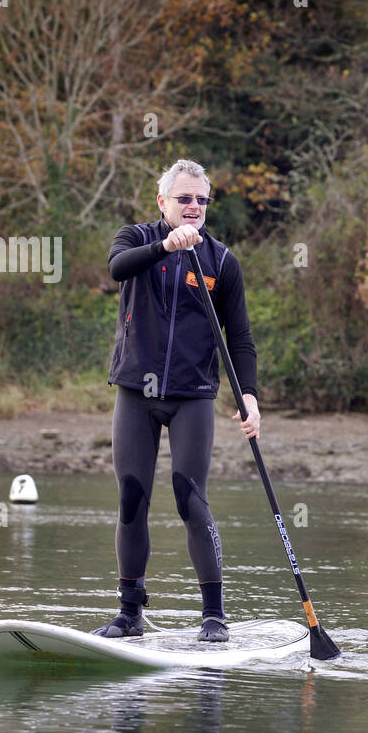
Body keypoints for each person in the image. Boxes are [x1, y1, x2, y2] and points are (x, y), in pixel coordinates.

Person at [93, 159, 260, 642]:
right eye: (183, 198)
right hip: (135, 393)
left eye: (201, 200)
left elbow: (241, 338)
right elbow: (118, 268)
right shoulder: (135, 238)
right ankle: (129, 613)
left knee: (192, 502)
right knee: (131, 499)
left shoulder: (222, 263)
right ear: (162, 202)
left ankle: (214, 616)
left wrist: (249, 396)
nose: (193, 207)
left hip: (192, 397)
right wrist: (165, 245)